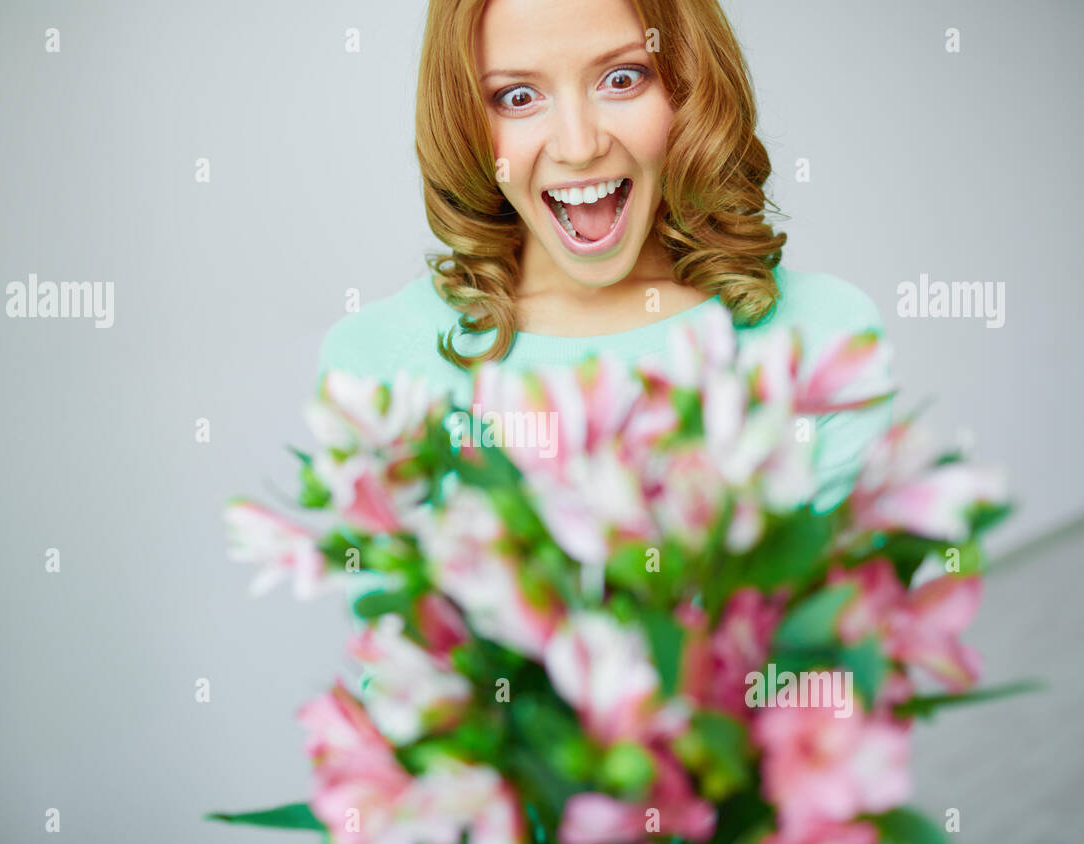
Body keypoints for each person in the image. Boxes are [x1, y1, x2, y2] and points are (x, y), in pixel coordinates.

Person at [317, 0, 891, 529]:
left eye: (622, 79)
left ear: (689, 84)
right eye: (518, 96)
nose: (578, 145)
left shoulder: (824, 340)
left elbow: (853, 620)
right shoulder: (376, 368)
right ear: (464, 120)